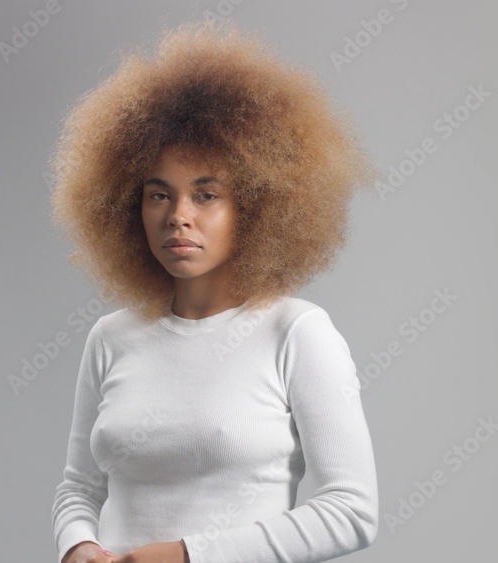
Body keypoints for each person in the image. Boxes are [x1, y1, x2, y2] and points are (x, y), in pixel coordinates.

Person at [49, 18, 380, 563]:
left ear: (254, 205)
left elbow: (351, 511)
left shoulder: (296, 333)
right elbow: (79, 488)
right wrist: (77, 545)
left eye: (206, 195)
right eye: (159, 195)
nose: (178, 216)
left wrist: (187, 555)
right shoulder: (110, 338)